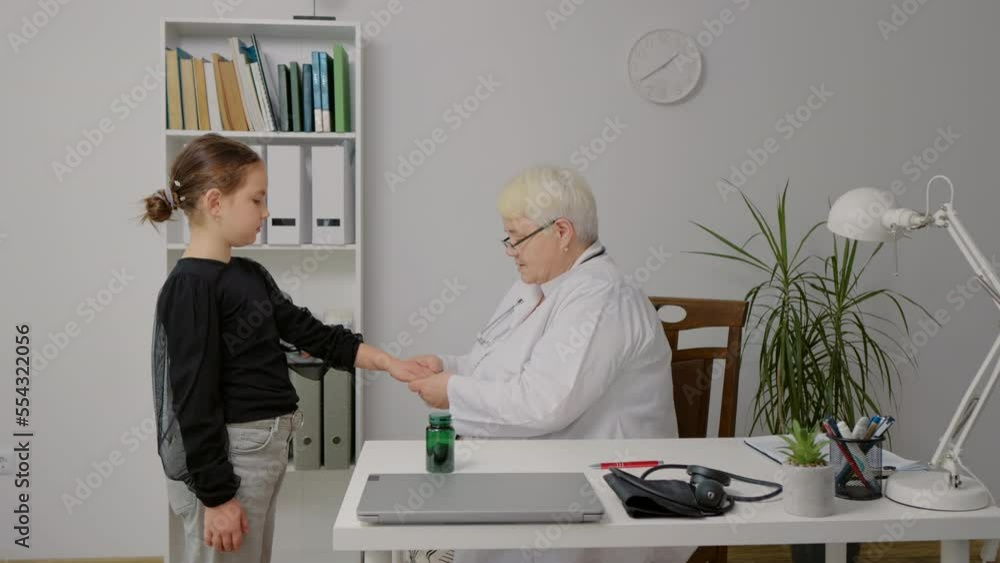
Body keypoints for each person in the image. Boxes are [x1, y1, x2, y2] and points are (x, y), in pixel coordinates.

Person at [140, 134, 431, 563]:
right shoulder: (190, 288)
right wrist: (218, 498)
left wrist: (389, 363)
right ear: (216, 203)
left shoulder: (248, 274)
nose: (267, 212)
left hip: (264, 450)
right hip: (232, 457)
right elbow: (193, 399)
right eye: (256, 200)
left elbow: (314, 335)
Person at [407, 166, 695, 563]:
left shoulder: (601, 296)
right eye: (507, 238)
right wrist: (447, 365)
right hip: (539, 470)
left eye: (518, 238)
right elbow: (495, 361)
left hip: (598, 489)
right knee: (414, 533)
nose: (510, 250)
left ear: (561, 232)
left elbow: (544, 403)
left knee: (427, 545)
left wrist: (451, 390)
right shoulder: (538, 284)